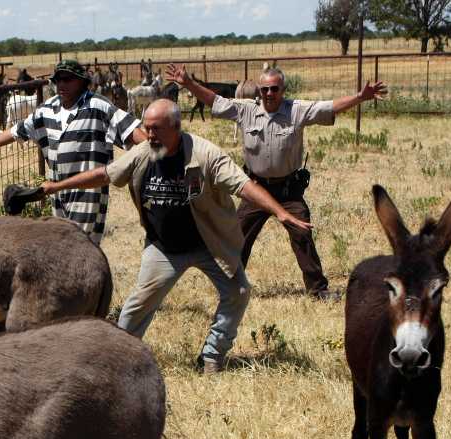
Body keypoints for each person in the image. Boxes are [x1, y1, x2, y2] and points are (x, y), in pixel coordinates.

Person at [41, 99, 313, 374]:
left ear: (176, 127)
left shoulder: (205, 154)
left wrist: (281, 212)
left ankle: (212, 356)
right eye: (146, 128)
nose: (149, 135)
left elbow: (243, 185)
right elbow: (105, 175)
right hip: (164, 247)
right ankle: (116, 359)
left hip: (209, 244)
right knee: (137, 305)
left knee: (238, 292)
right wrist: (56, 187)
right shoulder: (143, 153)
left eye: (156, 129)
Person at [166, 63, 387, 301]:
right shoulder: (246, 109)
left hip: (288, 190)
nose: (269, 94)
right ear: (259, 91)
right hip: (255, 188)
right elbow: (215, 101)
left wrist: (361, 97)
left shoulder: (296, 110)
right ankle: (230, 287)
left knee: (302, 233)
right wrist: (188, 83)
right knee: (238, 237)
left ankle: (318, 290)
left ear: (283, 90)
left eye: (274, 89)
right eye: (264, 89)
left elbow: (330, 106)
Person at [0, 59, 146, 246]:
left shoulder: (98, 106)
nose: (61, 84)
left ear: (82, 81)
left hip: (88, 193)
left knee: (82, 246)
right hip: (57, 191)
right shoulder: (48, 109)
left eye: (68, 79)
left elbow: (134, 133)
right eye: (58, 80)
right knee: (63, 245)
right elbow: (18, 130)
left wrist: (154, 148)